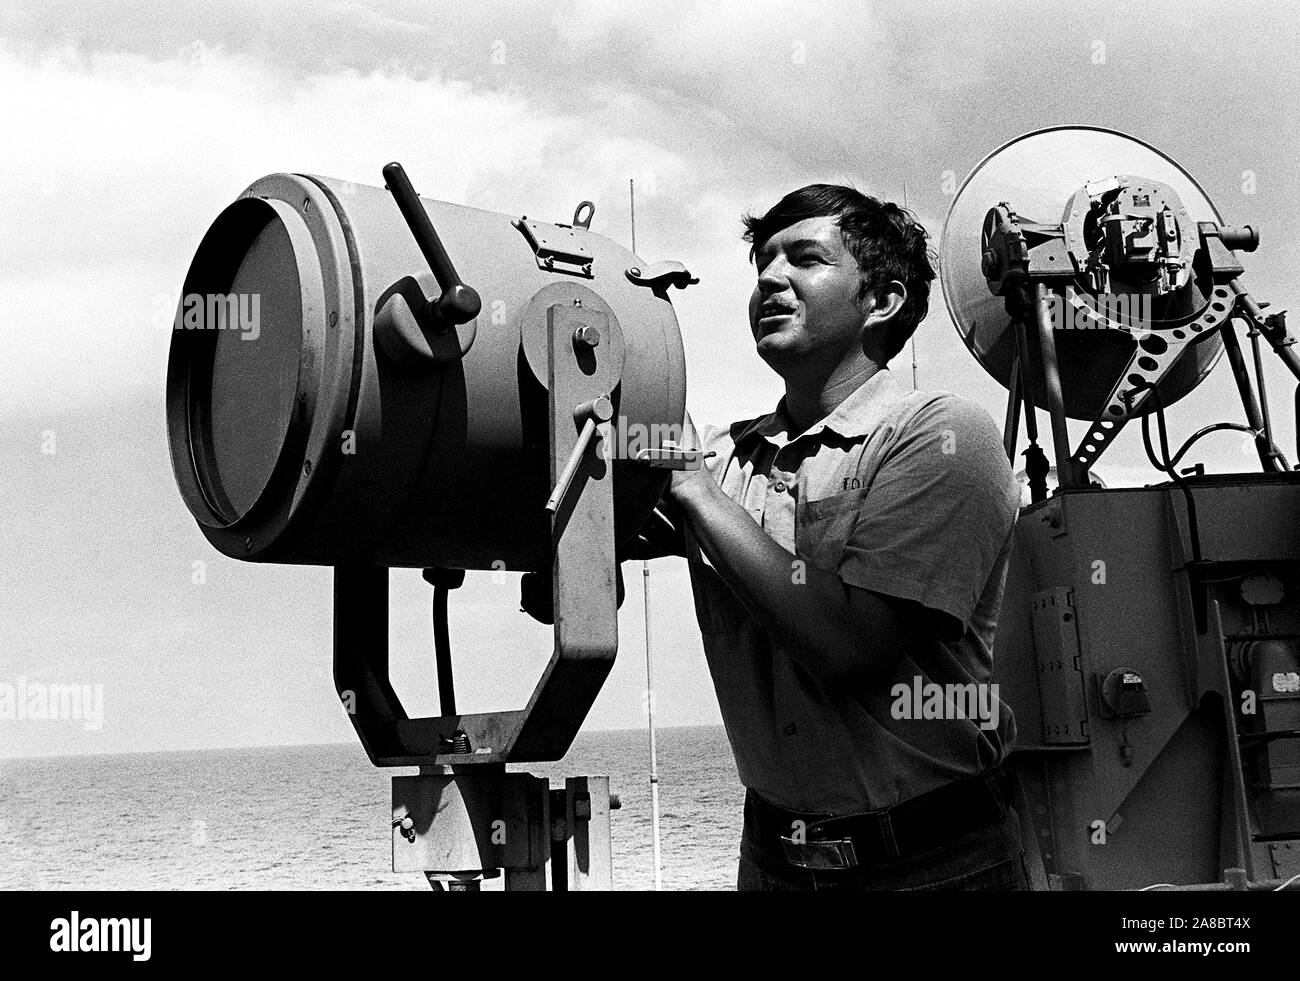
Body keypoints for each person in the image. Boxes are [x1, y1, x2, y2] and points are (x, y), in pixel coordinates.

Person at [634, 184, 1028, 890]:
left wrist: (692, 489)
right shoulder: (728, 456)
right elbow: (584, 530)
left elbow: (850, 645)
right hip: (775, 858)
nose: (769, 280)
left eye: (805, 259)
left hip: (932, 862)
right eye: (762, 263)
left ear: (882, 301)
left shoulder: (944, 438)